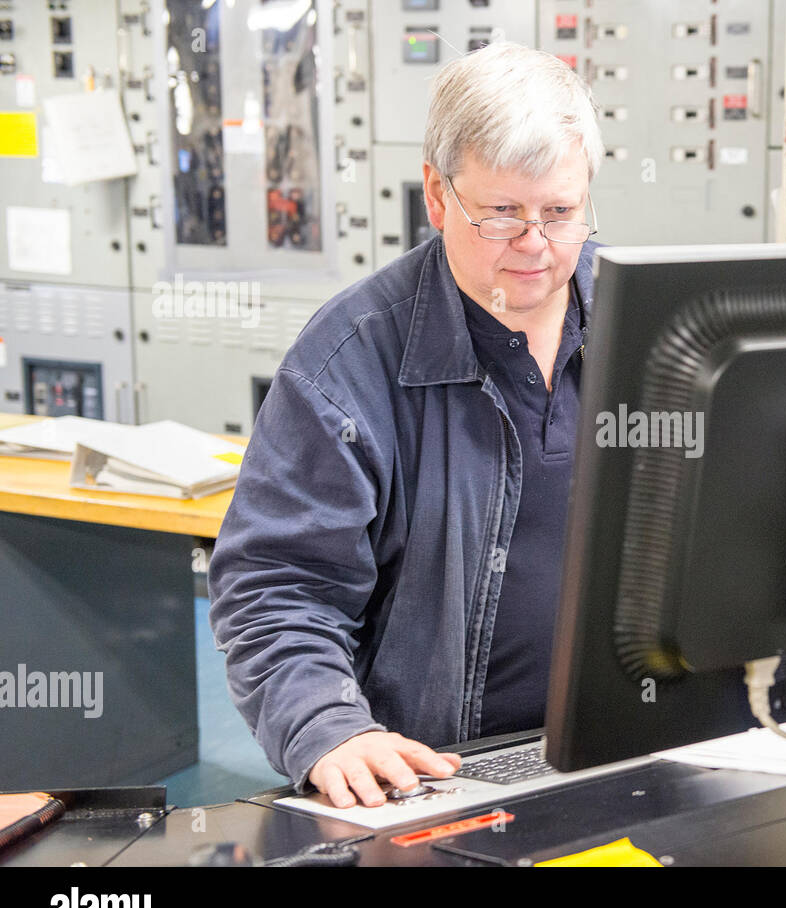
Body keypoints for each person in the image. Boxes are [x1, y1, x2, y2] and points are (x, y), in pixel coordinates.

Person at [207, 42, 604, 810]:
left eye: (559, 212)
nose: (535, 243)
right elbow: (275, 588)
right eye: (500, 214)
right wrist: (328, 726)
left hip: (616, 749)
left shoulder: (652, 326)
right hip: (436, 771)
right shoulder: (347, 363)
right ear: (436, 194)